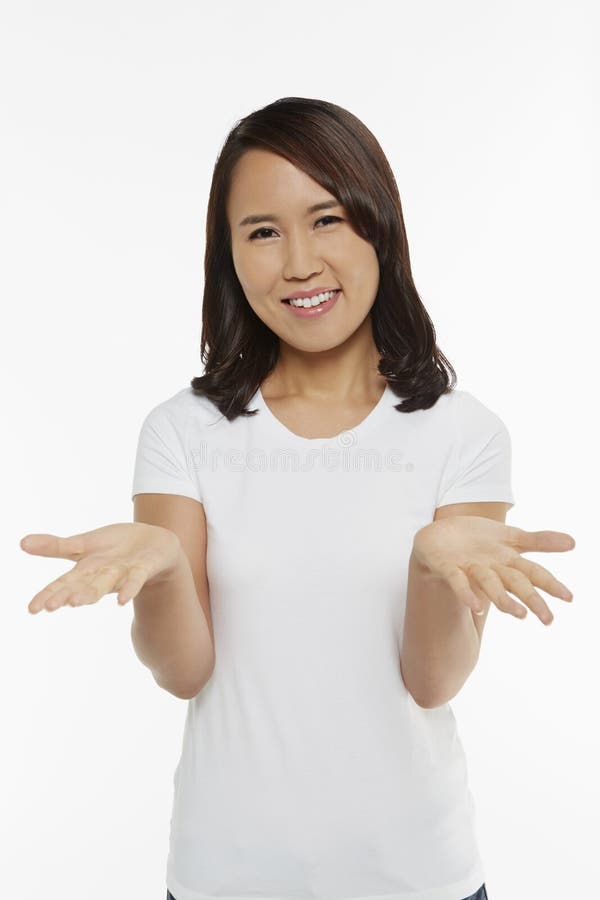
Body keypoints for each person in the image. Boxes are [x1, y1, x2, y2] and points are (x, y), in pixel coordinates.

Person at [22, 97, 576, 900]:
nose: (299, 264)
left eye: (327, 220)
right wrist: (168, 568)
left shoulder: (464, 434)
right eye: (262, 232)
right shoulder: (184, 431)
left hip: (416, 874)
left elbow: (433, 681)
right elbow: (184, 673)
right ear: (230, 256)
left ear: (377, 226)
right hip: (226, 873)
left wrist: (432, 569)